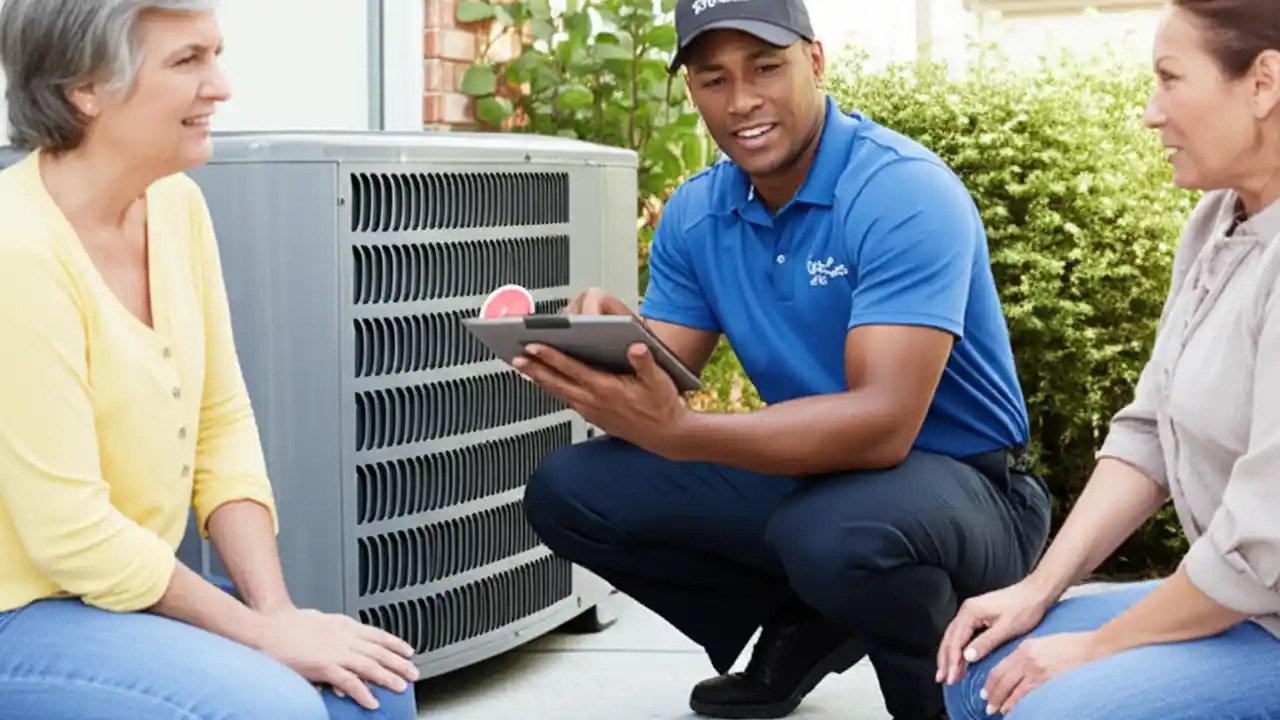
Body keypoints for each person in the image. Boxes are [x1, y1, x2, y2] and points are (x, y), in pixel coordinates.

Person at [516, 0, 1052, 718]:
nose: (740, 102)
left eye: (765, 68)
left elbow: (883, 424)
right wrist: (606, 344)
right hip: (818, 479)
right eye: (713, 80)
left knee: (832, 535)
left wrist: (683, 433)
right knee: (572, 491)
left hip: (968, 487)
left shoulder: (901, 192)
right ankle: (813, 618)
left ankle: (942, 698)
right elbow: (660, 373)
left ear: (816, 62)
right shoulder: (699, 214)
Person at [0, 2, 418, 718]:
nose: (220, 85)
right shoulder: (18, 251)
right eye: (187, 60)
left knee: (373, 694)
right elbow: (70, 533)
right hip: (23, 611)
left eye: (215, 54)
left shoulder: (176, 207)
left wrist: (278, 614)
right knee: (273, 708)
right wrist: (257, 637)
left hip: (120, 597)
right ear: (86, 88)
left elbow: (221, 422)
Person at [936, 1, 1280, 718]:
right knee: (983, 666)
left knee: (1051, 705)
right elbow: (1149, 433)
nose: (1152, 112)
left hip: (1264, 610)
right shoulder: (1218, 221)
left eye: (1169, 79)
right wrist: (1038, 589)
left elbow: (1263, 540)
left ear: (1263, 82)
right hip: (1246, 606)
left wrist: (1099, 647)